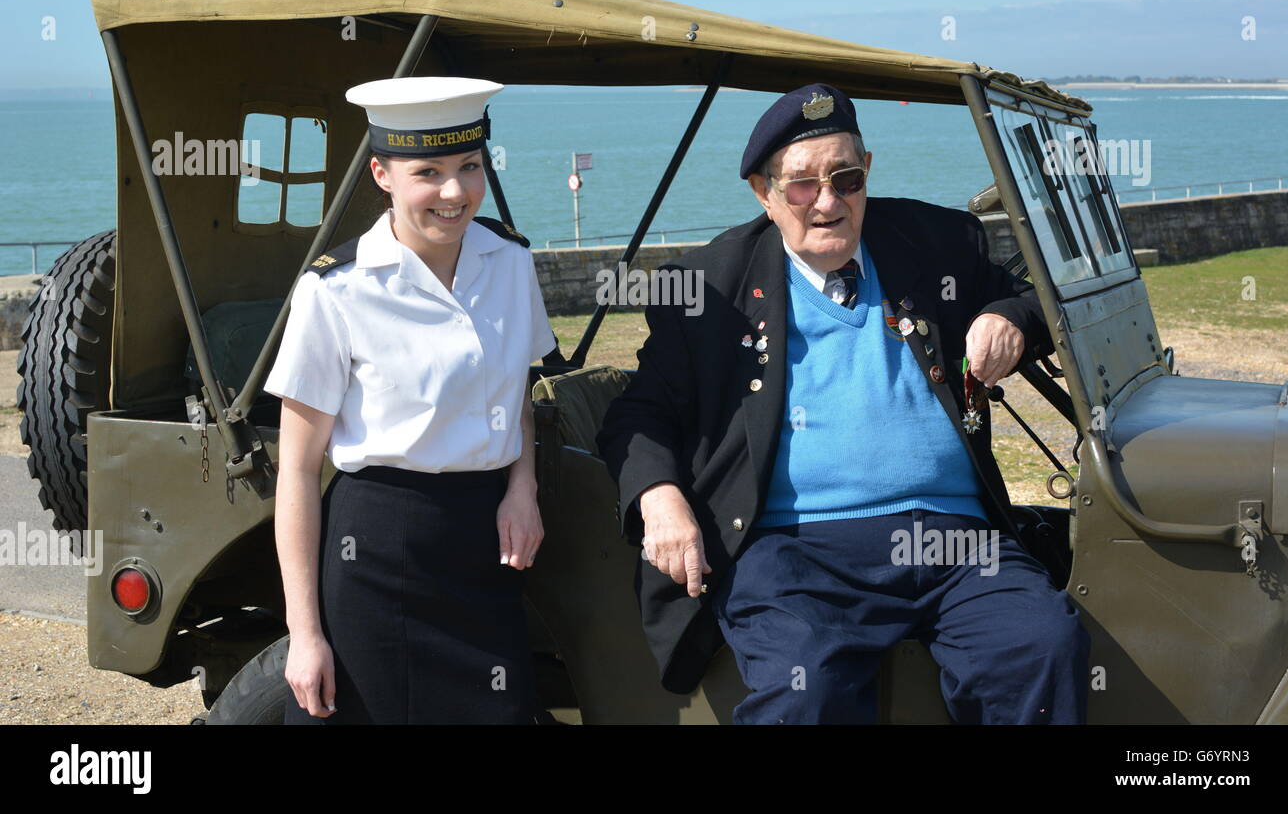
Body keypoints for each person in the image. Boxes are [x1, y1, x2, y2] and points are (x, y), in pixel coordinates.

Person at [596, 83, 1091, 724]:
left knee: (1042, 644)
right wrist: (659, 498)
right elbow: (641, 414)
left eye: (846, 179)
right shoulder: (707, 287)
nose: (827, 202)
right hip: (794, 550)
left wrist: (1011, 316)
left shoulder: (936, 243)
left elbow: (1035, 297)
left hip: (952, 539)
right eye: (801, 184)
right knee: (807, 688)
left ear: (867, 175)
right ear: (762, 192)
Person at [268, 76, 557, 724]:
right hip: (377, 552)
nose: (454, 192)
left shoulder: (510, 262)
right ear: (382, 173)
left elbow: (517, 397)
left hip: (485, 548)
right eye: (428, 171)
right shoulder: (333, 290)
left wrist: (522, 487)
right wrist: (305, 634)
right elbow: (296, 469)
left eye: (469, 167)